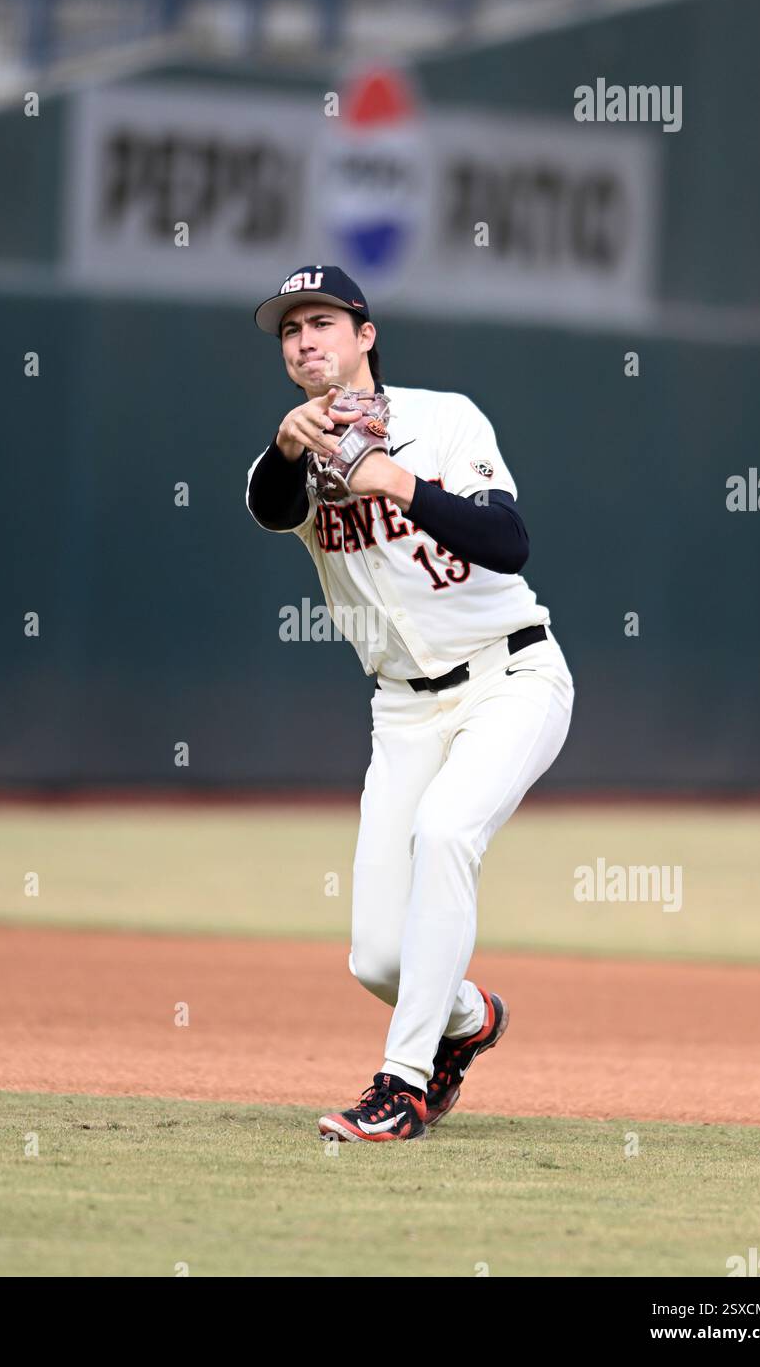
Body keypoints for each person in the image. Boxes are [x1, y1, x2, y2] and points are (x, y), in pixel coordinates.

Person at [246, 265, 575, 1142]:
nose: (304, 340)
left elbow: (507, 541)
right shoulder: (289, 452)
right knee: (377, 958)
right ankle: (467, 1020)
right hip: (401, 710)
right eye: (288, 330)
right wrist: (289, 449)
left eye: (321, 321)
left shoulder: (443, 417)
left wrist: (395, 480)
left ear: (365, 333)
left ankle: (402, 1084)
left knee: (446, 834)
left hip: (511, 677)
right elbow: (268, 507)